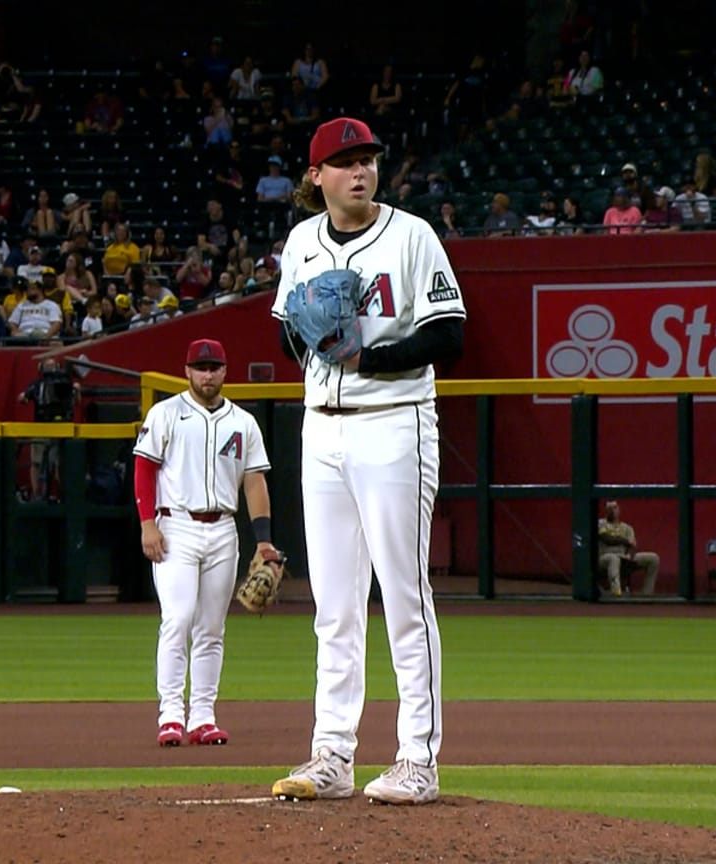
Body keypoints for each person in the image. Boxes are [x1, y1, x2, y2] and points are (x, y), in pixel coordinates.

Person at [270, 116, 466, 806]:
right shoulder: (301, 243)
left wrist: (367, 357)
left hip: (395, 425)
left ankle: (419, 758)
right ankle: (333, 754)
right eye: (346, 161)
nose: (361, 171)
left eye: (369, 160)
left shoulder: (412, 236)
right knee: (334, 605)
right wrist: (314, 342)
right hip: (321, 429)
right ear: (316, 176)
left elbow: (450, 335)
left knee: (405, 599)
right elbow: (290, 327)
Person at [133, 339, 276, 748]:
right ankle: (170, 716)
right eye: (200, 367)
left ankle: (203, 717)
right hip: (175, 526)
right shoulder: (166, 414)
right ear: (187, 370)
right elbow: (144, 469)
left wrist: (263, 541)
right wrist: (148, 524)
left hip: (223, 531)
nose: (207, 374)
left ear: (225, 371)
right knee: (177, 619)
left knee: (211, 628)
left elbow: (254, 482)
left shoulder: (244, 422)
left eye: (214, 367)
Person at [17, 358, 79, 501]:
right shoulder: (37, 385)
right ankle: (36, 494)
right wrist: (23, 397)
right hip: (41, 426)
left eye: (53, 366)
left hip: (62, 428)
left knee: (60, 463)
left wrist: (76, 391)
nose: (51, 369)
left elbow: (75, 402)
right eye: (47, 366)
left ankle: (63, 496)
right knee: (36, 462)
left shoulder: (66, 384)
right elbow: (23, 398)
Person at [597, 500, 660, 596]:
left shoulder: (627, 528)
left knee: (653, 558)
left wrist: (629, 555)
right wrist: (625, 541)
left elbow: (633, 546)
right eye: (609, 508)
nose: (612, 511)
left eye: (614, 508)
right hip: (604, 557)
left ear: (619, 510)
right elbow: (607, 539)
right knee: (614, 559)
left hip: (624, 557)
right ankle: (616, 593)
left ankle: (647, 594)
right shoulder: (600, 523)